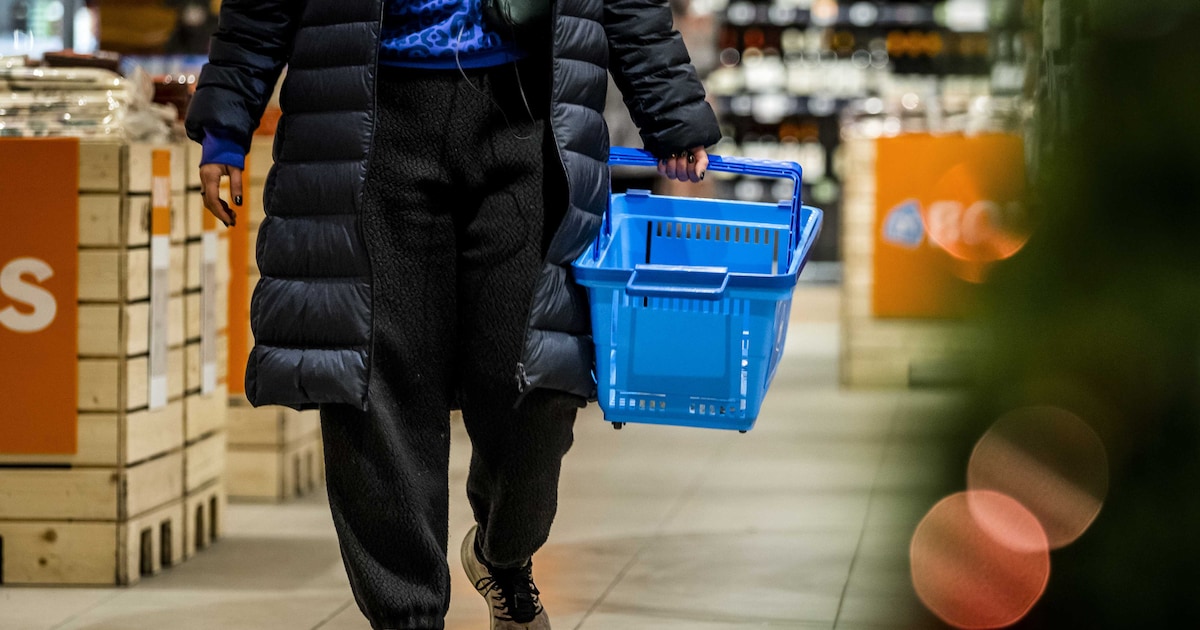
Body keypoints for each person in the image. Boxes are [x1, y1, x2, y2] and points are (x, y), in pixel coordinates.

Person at [186, 0, 720, 628]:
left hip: (526, 114)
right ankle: (406, 614)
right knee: (379, 384)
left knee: (534, 373)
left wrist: (671, 111)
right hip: (366, 119)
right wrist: (226, 123)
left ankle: (505, 552)